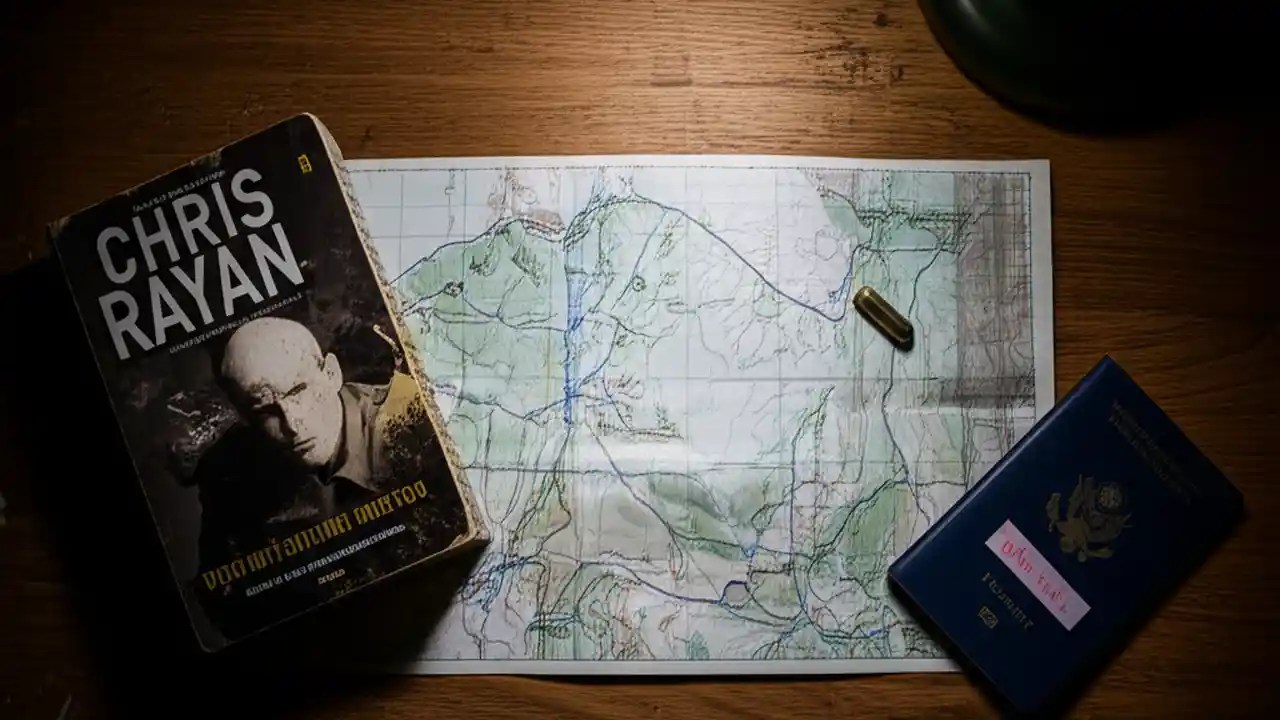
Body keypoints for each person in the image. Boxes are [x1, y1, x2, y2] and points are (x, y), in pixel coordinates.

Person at [191, 316, 437, 636]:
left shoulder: (412, 421)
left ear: (331, 373)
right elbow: (226, 601)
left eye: (298, 391)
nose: (293, 425)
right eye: (265, 411)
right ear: (244, 416)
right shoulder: (228, 473)